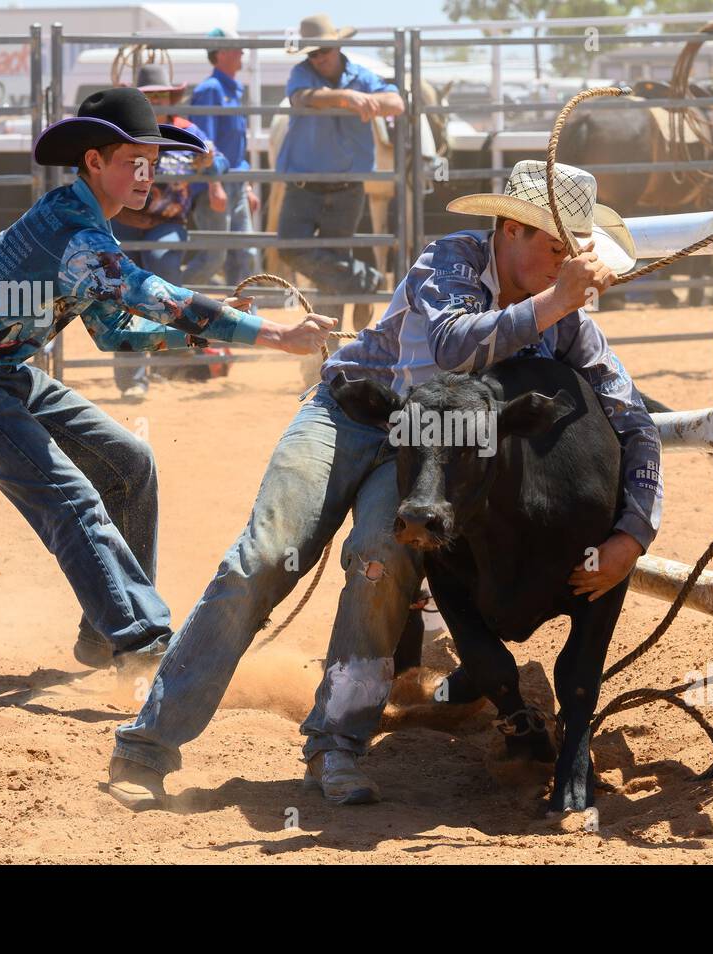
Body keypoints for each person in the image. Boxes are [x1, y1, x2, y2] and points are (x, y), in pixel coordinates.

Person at [107, 160, 662, 811]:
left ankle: (337, 745)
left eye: (575, 254)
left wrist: (634, 530)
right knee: (264, 557)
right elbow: (454, 346)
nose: (564, 264)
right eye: (554, 247)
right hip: (352, 415)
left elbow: (631, 417)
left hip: (423, 458)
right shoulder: (453, 261)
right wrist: (556, 300)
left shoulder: (566, 323)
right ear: (509, 230)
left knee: (382, 563)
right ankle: (147, 744)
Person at [0, 87, 337, 672]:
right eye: (135, 162)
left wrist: (202, 336)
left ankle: (106, 631)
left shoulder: (83, 229)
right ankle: (140, 640)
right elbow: (149, 295)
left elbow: (114, 332)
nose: (147, 176)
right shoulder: (75, 235)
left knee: (130, 464)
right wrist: (273, 334)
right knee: (70, 496)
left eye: (153, 166)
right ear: (94, 161)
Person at [110, 65, 222, 400]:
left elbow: (217, 160)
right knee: (124, 295)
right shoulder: (122, 131)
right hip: (123, 221)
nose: (157, 101)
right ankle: (134, 377)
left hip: (167, 223)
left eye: (162, 95)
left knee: (161, 273)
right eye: (149, 96)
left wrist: (210, 166)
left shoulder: (187, 131)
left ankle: (166, 353)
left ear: (171, 97)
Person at [275, 14, 402, 302]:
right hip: (304, 186)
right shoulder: (302, 73)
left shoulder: (362, 76)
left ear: (337, 47)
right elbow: (302, 97)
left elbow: (396, 103)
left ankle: (330, 339)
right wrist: (347, 97)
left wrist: (364, 99)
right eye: (313, 53)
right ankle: (365, 281)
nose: (319, 58)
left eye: (324, 50)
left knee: (333, 260)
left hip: (347, 187)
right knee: (290, 248)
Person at [184, 26, 258, 288]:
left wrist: (246, 185)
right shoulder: (211, 90)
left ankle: (246, 319)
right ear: (223, 53)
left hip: (234, 183)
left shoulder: (230, 90)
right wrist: (214, 184)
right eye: (237, 49)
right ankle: (166, 303)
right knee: (214, 257)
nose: (242, 53)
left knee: (245, 253)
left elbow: (235, 146)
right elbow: (204, 146)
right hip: (215, 184)